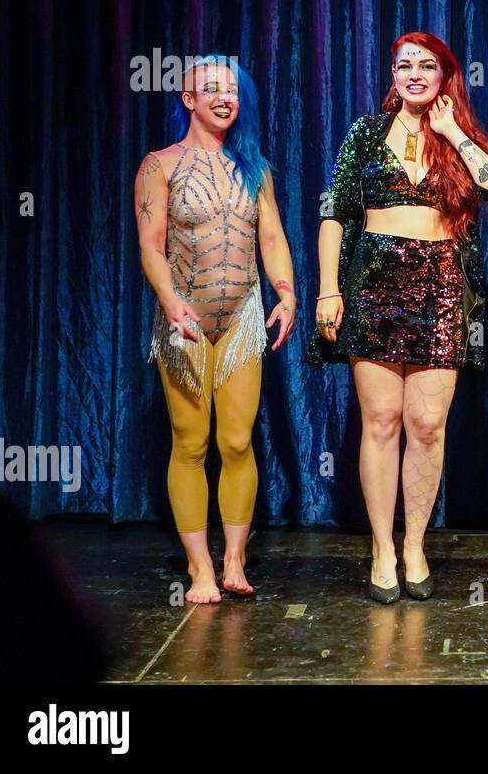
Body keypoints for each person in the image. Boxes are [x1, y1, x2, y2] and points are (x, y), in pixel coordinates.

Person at [307, 32, 488, 603]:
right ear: (393, 76)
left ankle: (415, 544)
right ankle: (381, 549)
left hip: (441, 289)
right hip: (373, 284)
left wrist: (452, 132)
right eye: (404, 65)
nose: (414, 73)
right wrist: (328, 290)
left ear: (445, 77)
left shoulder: (457, 137)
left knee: (426, 425)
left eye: (426, 65)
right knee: (381, 421)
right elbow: (335, 212)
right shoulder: (366, 133)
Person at [135, 56, 297, 604]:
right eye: (212, 90)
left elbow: (271, 238)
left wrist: (287, 293)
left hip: (242, 318)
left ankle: (234, 560)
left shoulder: (255, 168)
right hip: (184, 318)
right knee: (191, 442)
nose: (225, 98)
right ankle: (199, 567)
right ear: (189, 99)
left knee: (235, 441)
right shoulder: (159, 165)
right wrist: (169, 300)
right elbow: (151, 246)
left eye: (232, 90)